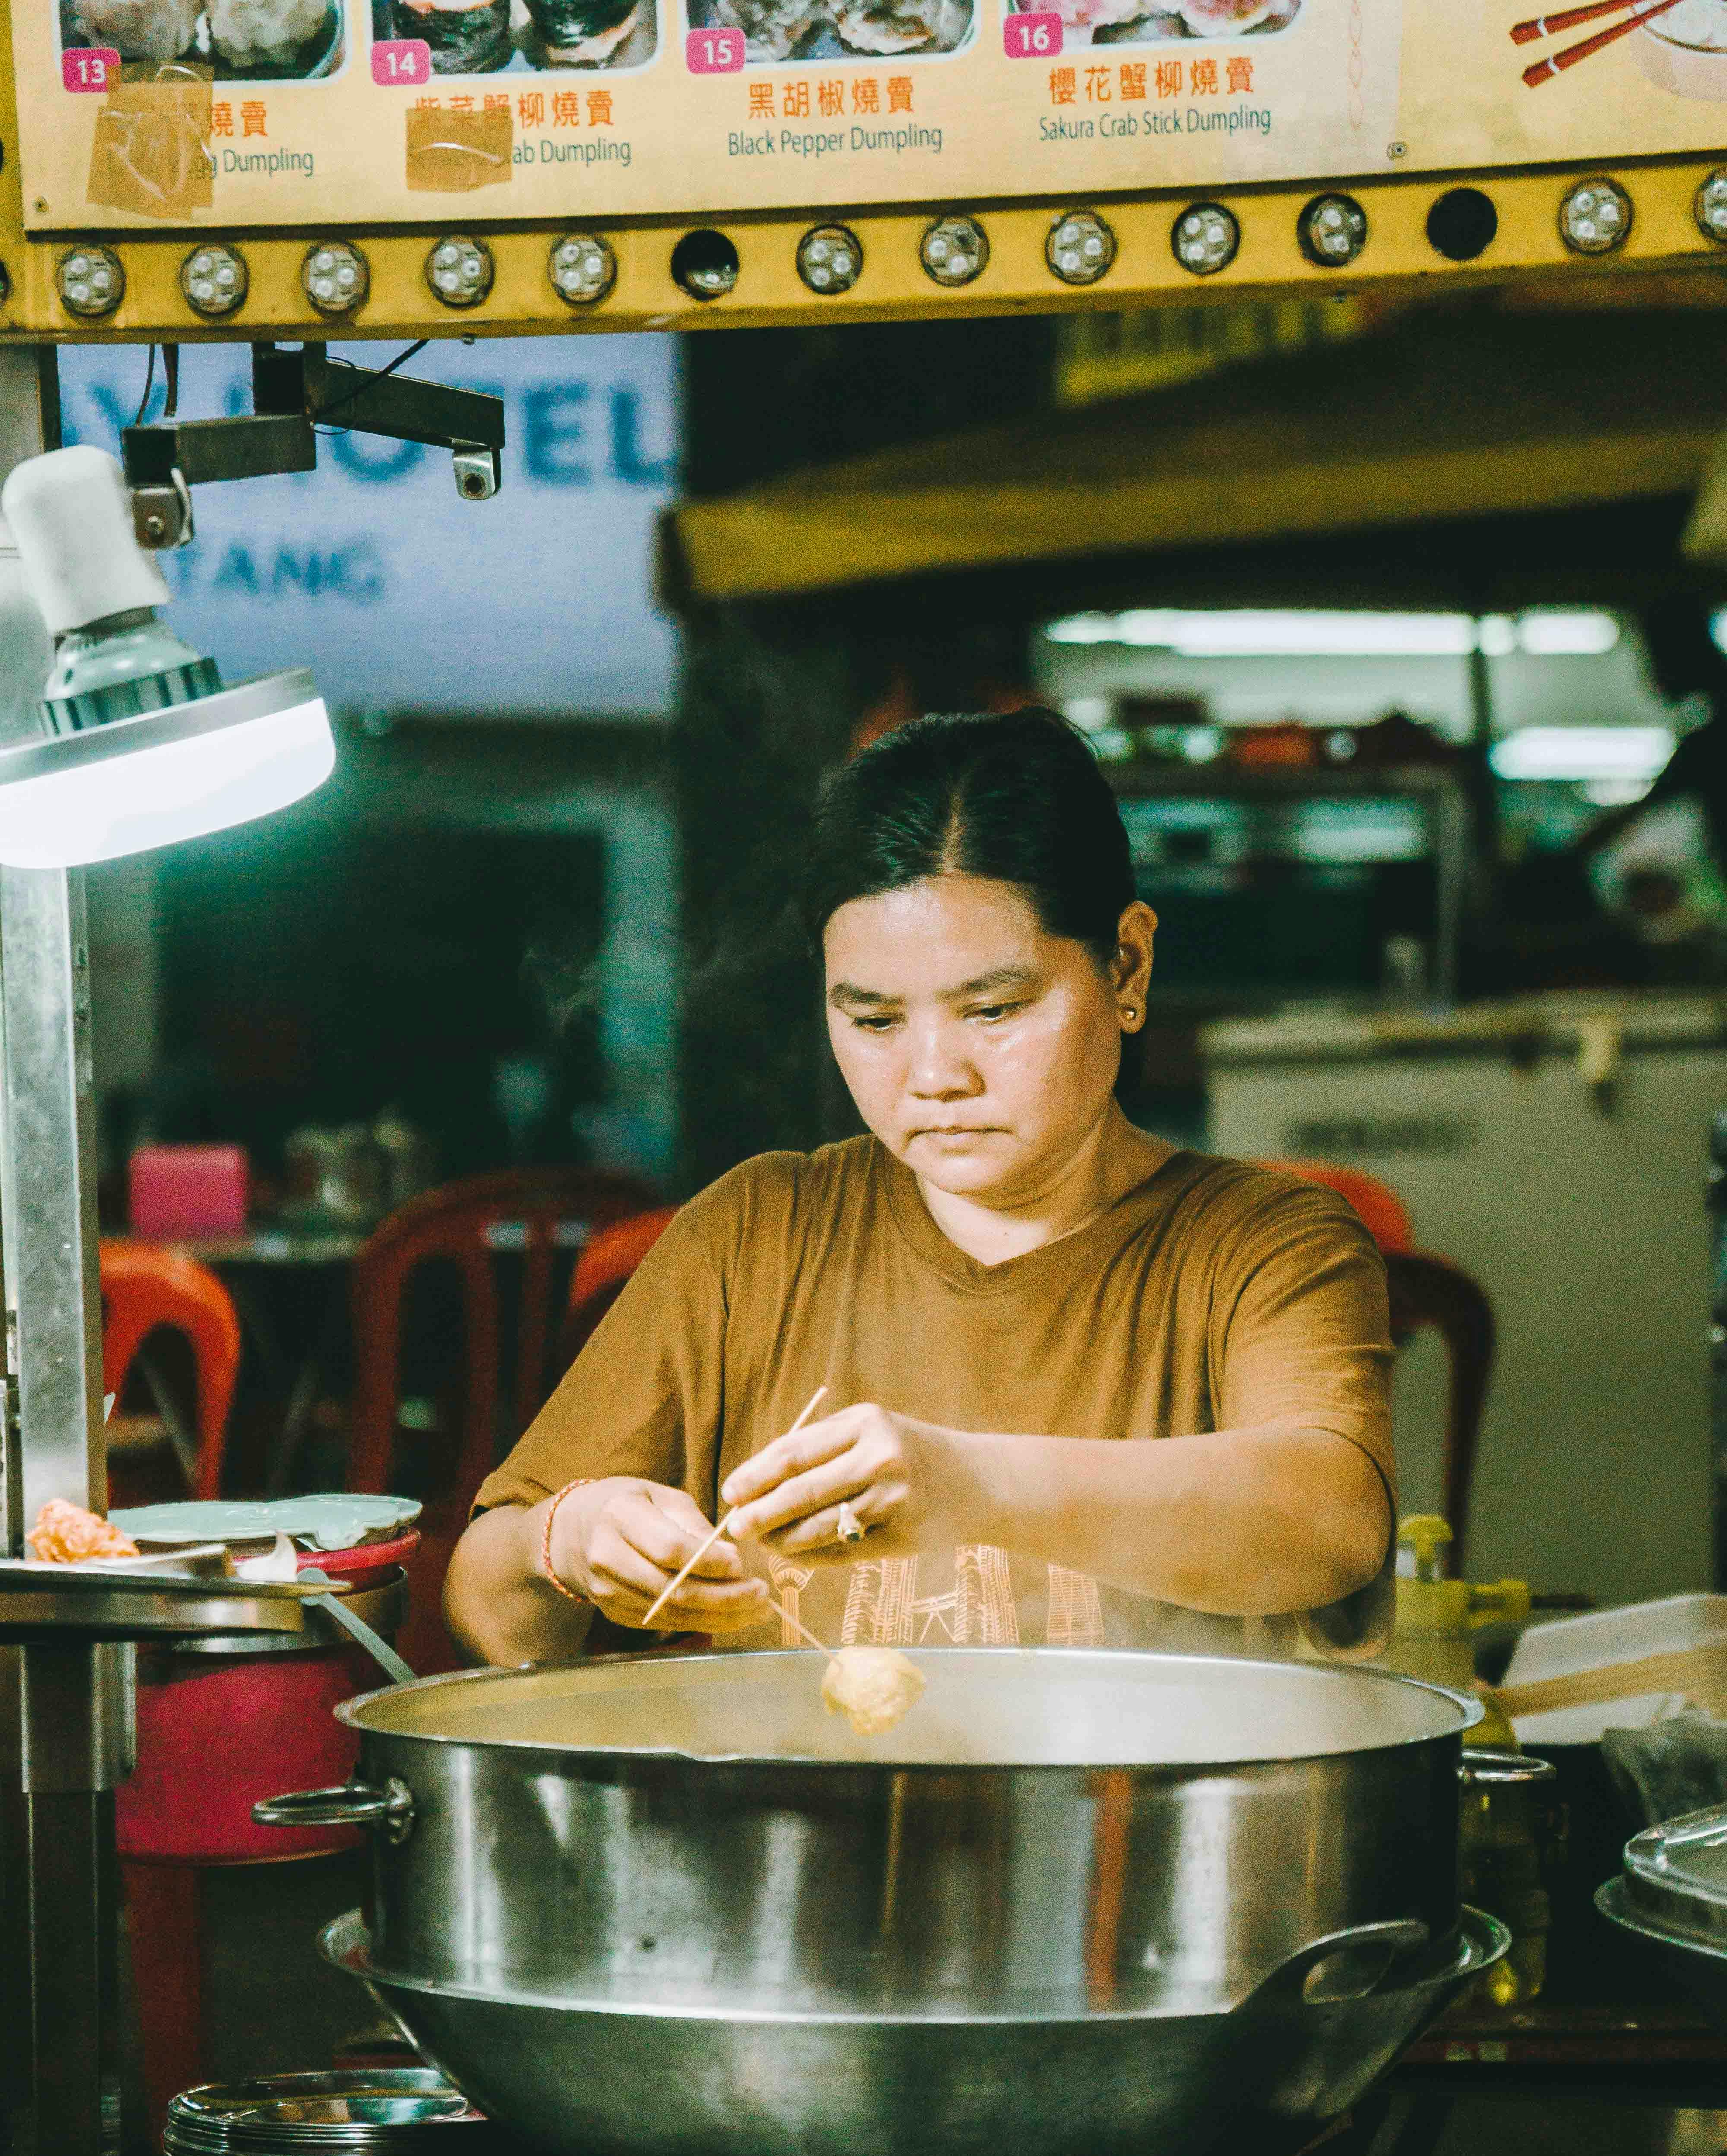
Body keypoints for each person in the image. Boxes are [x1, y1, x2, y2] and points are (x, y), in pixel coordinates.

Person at [445, 707, 1395, 1668]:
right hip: (801, 1813)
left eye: (992, 1009)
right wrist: (567, 1538)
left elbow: (1330, 1523)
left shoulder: (1264, 1241)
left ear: (1126, 965)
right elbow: (488, 1611)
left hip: (1133, 1816)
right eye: (873, 1021)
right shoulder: (756, 1237)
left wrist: (970, 1482)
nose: (934, 1076)